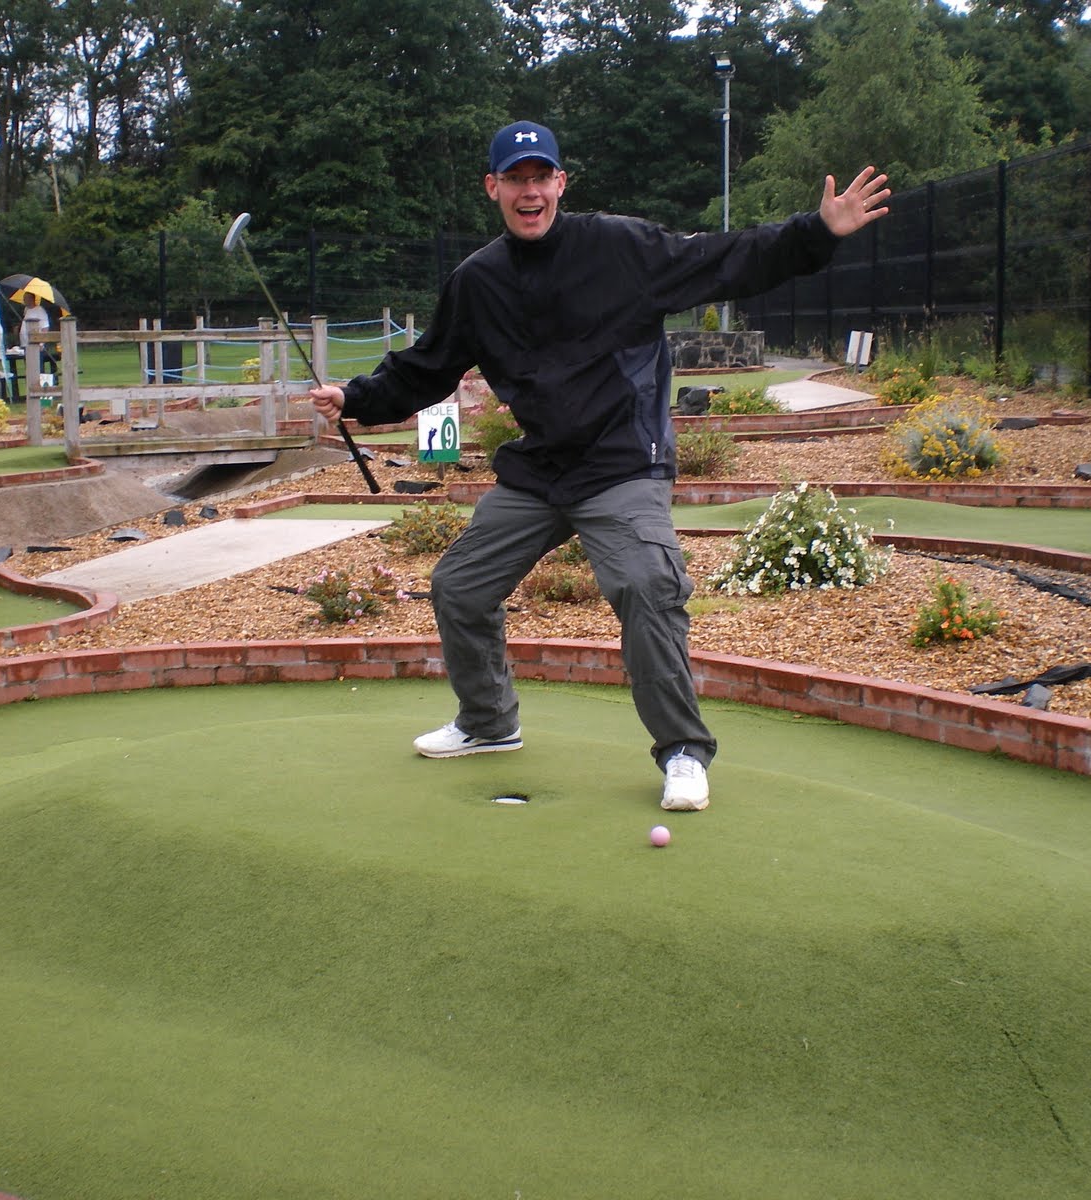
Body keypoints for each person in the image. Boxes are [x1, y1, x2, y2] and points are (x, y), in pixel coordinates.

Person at [310, 120, 891, 812]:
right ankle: (489, 723)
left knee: (647, 583)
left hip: (621, 462)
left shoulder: (621, 247)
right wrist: (355, 395)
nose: (531, 192)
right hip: (540, 469)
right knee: (460, 587)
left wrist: (817, 233)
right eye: (516, 179)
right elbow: (425, 368)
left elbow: (726, 258)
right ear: (493, 188)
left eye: (542, 177)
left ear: (561, 183)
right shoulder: (478, 281)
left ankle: (681, 752)